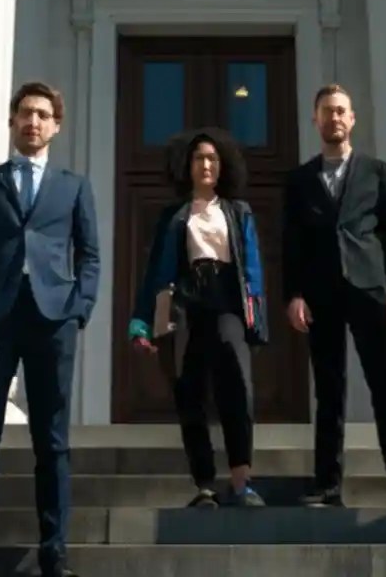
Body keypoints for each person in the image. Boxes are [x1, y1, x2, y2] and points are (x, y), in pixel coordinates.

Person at [0, 82, 100, 577]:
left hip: (53, 321)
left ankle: (54, 552)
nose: (32, 121)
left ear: (56, 126)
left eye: (42, 114)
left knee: (51, 441)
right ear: (12, 122)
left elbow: (90, 254)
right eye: (24, 113)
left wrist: (80, 308)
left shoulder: (74, 186)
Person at [282, 84, 386, 508]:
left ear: (352, 118)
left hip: (369, 289)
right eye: (327, 112)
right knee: (329, 391)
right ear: (316, 119)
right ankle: (327, 485)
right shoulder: (300, 179)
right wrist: (294, 295)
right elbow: (290, 243)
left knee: (384, 386)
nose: (335, 118)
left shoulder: (376, 171)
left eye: (341, 111)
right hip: (320, 296)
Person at [128, 127, 268, 509]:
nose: (205, 165)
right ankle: (205, 484)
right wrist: (141, 322)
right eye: (198, 158)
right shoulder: (174, 215)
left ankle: (241, 480)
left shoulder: (238, 212)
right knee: (189, 389)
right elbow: (155, 270)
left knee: (237, 383)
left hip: (227, 300)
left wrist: (256, 321)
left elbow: (252, 267)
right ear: (187, 166)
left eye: (212, 159)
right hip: (186, 301)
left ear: (222, 166)